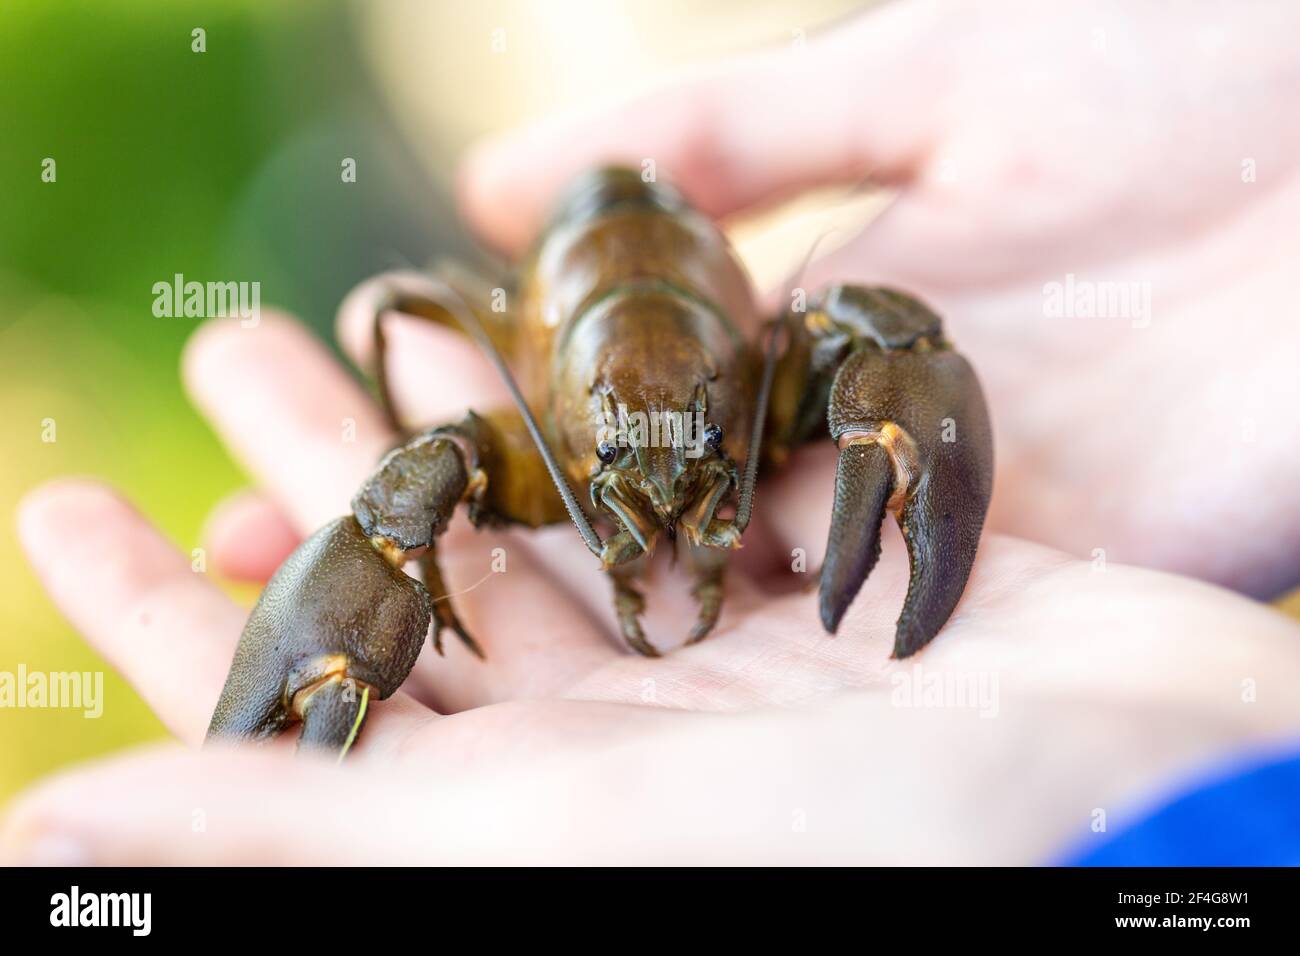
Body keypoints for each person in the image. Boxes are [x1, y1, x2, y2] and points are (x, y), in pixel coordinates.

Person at [4, 0, 1299, 865]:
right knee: (410, 475)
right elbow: (419, 428)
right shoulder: (511, 431)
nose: (674, 508)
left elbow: (889, 336)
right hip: (568, 296)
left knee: (894, 337)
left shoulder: (777, 362)